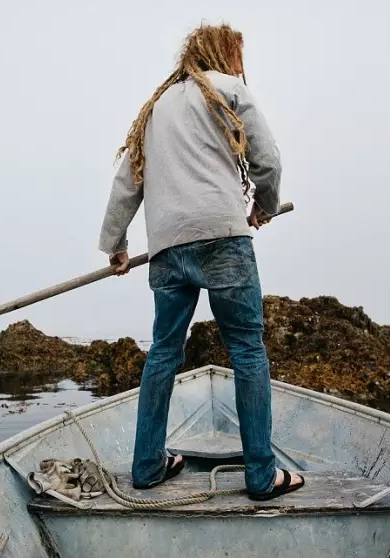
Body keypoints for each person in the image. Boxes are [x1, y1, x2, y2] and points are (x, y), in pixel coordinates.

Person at [97, 23, 304, 500]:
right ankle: (260, 476)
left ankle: (147, 466)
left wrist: (116, 244)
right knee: (248, 350)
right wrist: (265, 206)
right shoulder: (229, 90)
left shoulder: (152, 112)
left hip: (167, 247)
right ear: (224, 55)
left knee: (164, 352)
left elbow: (127, 182)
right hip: (222, 238)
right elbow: (267, 160)